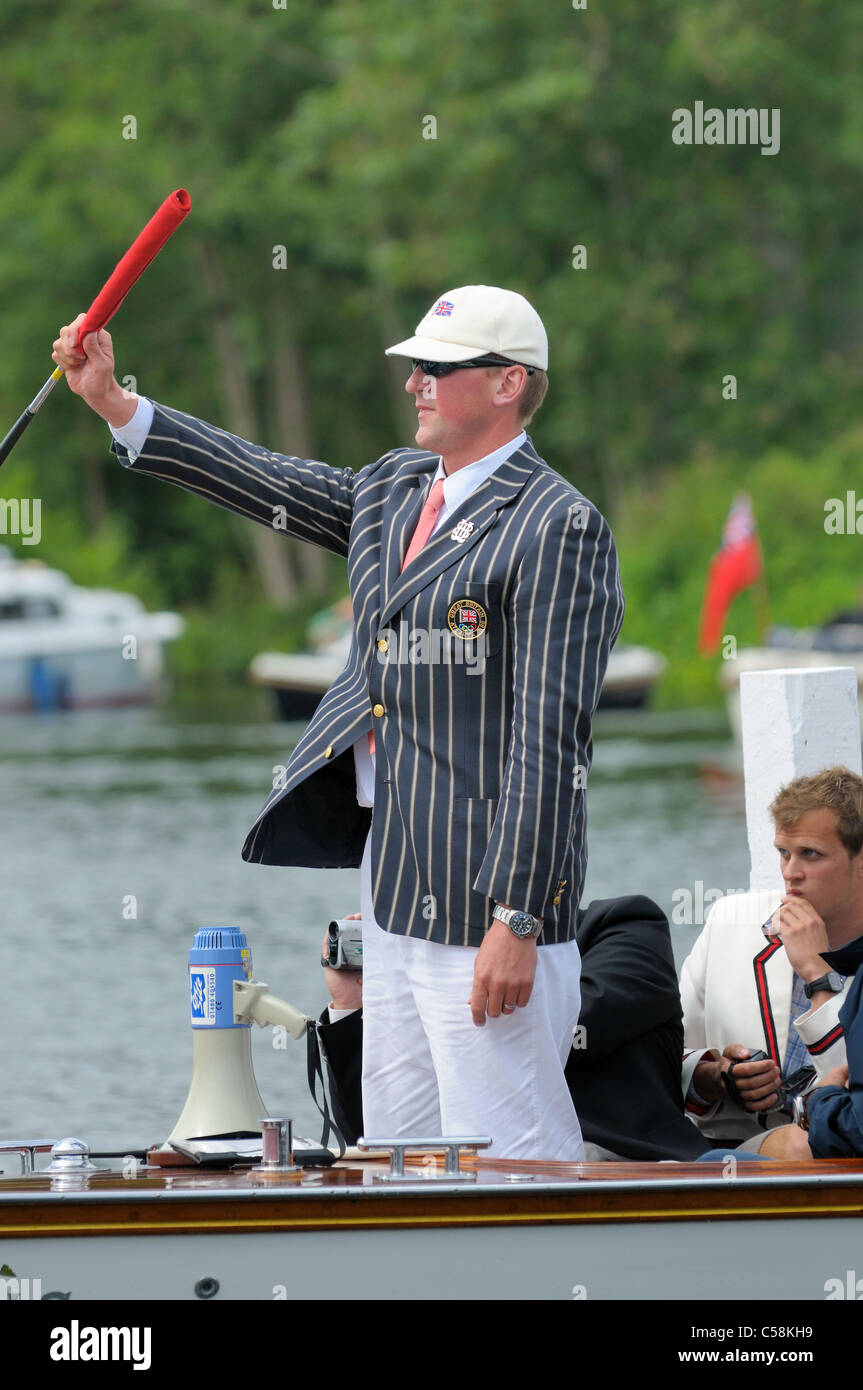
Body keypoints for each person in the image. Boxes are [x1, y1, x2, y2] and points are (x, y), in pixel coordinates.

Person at [53, 284, 625, 1159]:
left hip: (488, 903)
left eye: (437, 368)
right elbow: (268, 482)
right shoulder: (395, 486)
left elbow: (550, 740)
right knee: (396, 1153)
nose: (415, 384)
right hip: (392, 891)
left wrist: (518, 919)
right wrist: (118, 406)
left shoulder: (560, 525)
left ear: (508, 383)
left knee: (512, 1165)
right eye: (414, 368)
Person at [315, 895, 714, 1161]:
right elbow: (369, 1134)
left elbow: (575, 1027)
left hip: (613, 1157)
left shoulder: (625, 923)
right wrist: (355, 1003)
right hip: (462, 1165)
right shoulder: (418, 973)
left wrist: (443, 985)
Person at [680, 766, 862, 1148]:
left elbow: (855, 1105)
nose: (789, 873)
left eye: (810, 854)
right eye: (784, 852)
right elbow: (663, 1061)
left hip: (842, 1170)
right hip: (725, 1159)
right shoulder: (730, 920)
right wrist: (718, 1077)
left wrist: (817, 974)